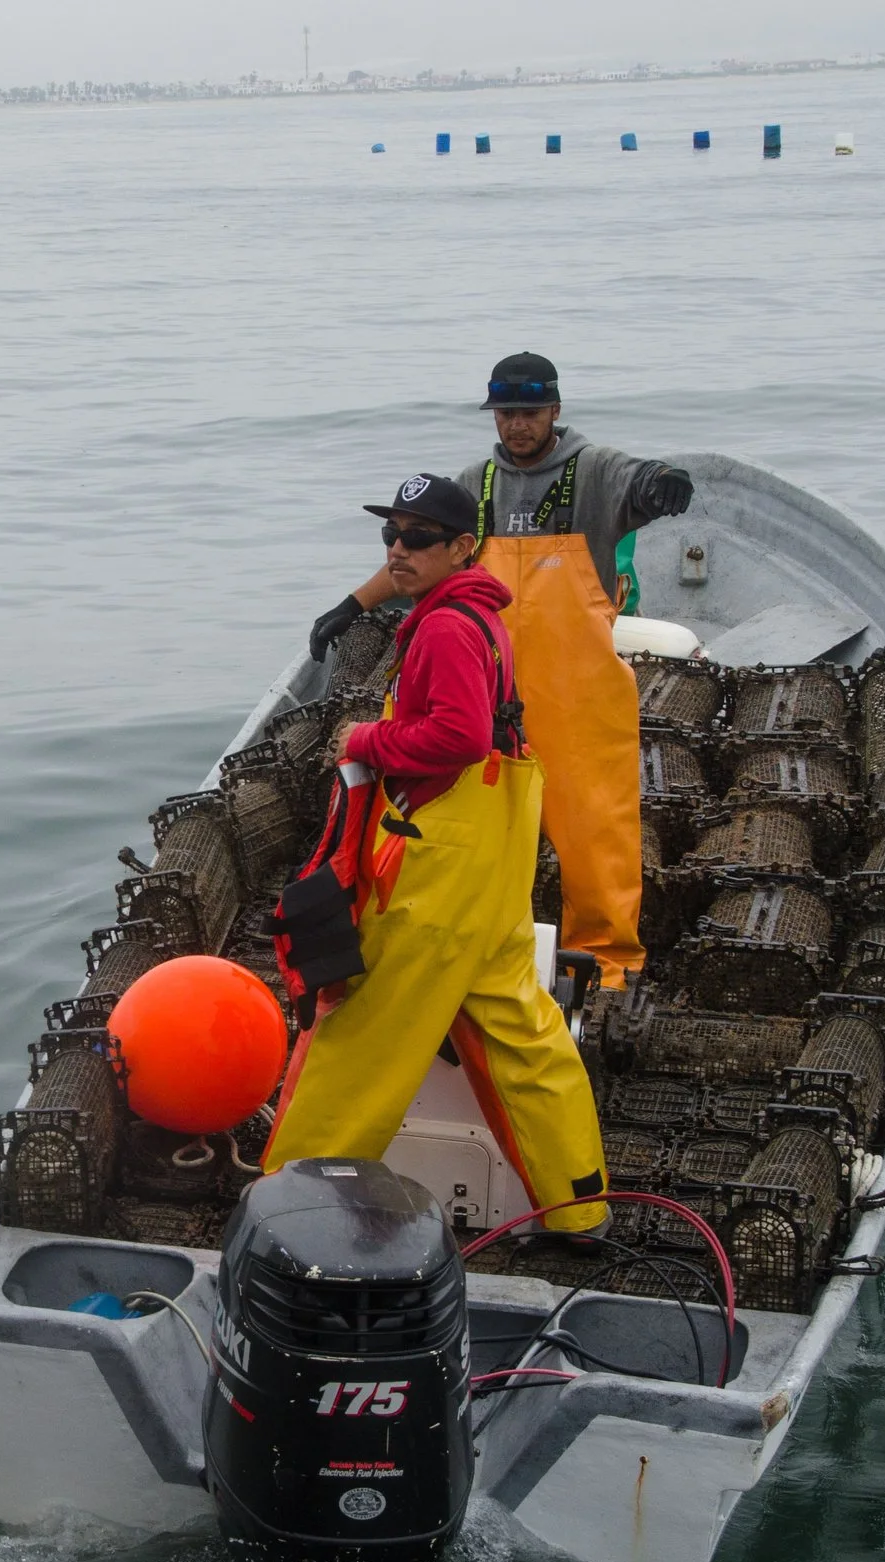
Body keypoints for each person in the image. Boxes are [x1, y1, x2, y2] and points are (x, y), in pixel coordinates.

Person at [265, 473, 608, 1233]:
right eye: (390, 534)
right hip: (492, 875)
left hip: (440, 881)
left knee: (360, 1035)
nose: (398, 549)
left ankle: (286, 1204)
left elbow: (457, 736)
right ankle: (579, 1207)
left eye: (419, 538)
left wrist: (363, 739)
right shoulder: (477, 618)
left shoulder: (448, 628)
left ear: (461, 548)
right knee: (522, 1036)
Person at [305, 353, 693, 986]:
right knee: (484, 833)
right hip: (487, 688)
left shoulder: (594, 472)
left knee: (596, 830)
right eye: (507, 413)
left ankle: (608, 961)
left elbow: (639, 480)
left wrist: (661, 482)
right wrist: (353, 604)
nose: (517, 426)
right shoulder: (475, 485)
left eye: (530, 412)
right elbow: (415, 553)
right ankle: (493, 950)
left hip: (578, 694)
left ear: (556, 411)